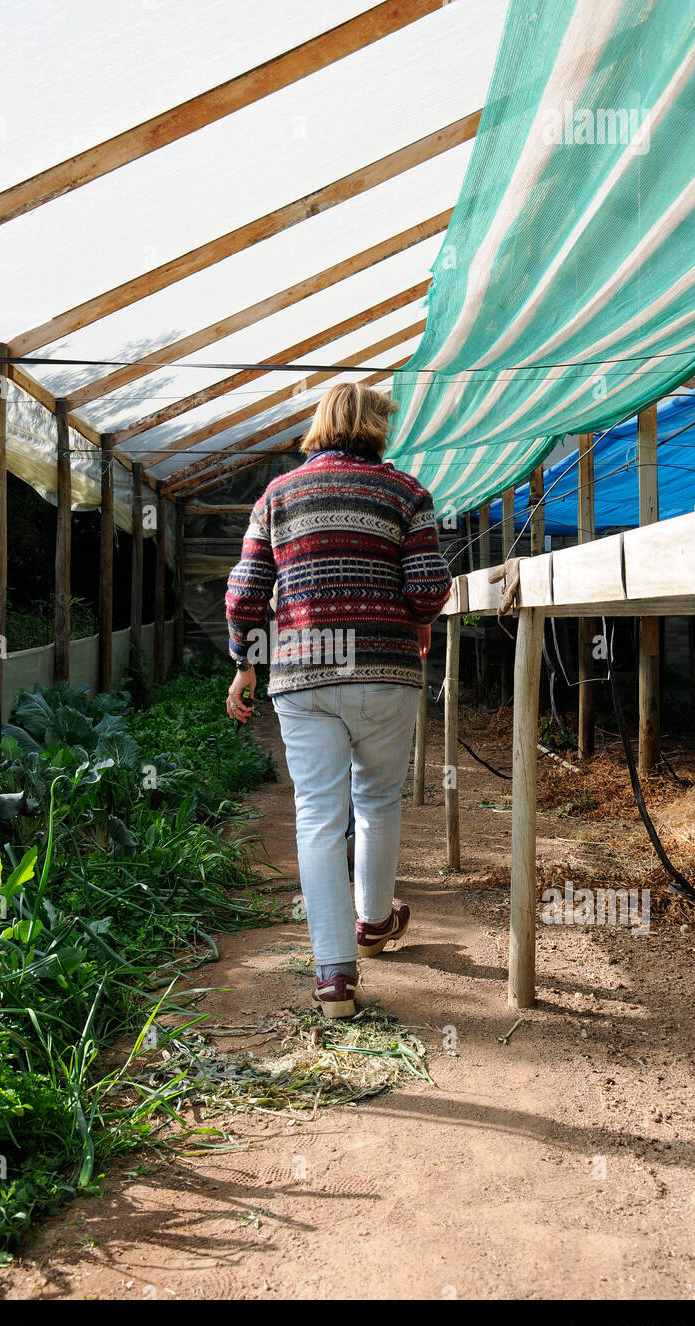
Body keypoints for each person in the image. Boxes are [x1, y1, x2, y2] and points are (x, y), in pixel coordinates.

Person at [224, 382, 452, 1018]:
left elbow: (244, 594)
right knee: (377, 799)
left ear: (320, 425)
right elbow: (430, 589)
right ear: (376, 430)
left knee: (318, 817)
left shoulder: (276, 496)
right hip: (386, 671)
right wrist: (416, 615)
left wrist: (245, 664)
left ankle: (333, 978)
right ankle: (375, 922)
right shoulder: (408, 493)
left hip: (303, 676)